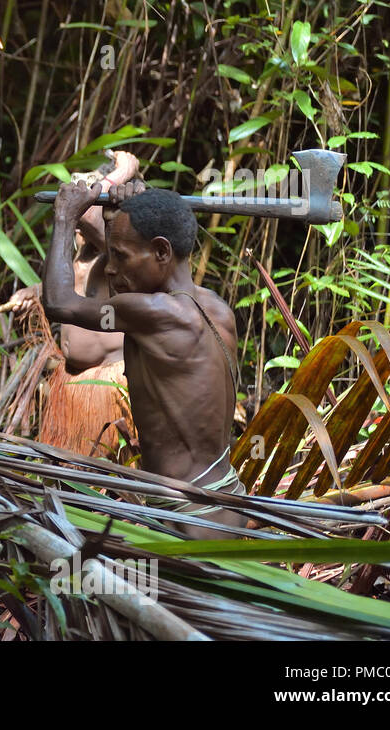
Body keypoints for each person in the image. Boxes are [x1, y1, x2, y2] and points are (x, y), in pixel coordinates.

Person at [39, 178, 246, 539]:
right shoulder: (216, 308)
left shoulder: (153, 313)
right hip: (224, 507)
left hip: (188, 522)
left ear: (163, 252)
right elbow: (136, 265)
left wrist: (64, 217)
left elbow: (58, 302)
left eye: (120, 257)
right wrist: (114, 221)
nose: (112, 269)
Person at [32, 151, 138, 457]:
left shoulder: (117, 254)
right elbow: (63, 286)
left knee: (108, 485)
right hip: (72, 387)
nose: (79, 200)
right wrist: (31, 292)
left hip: (109, 388)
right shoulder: (81, 256)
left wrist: (122, 173)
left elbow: (85, 215)